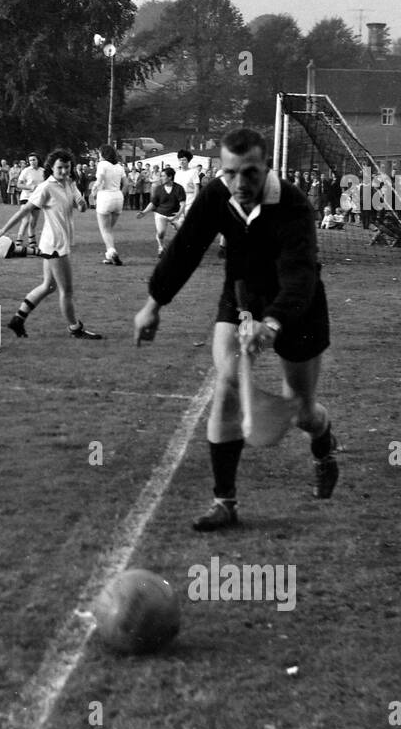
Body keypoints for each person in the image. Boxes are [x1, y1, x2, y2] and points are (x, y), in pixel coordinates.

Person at [133, 127, 338, 530]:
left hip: (299, 306)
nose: (240, 184)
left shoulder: (294, 205)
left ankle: (323, 442)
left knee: (300, 411)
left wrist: (272, 323)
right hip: (242, 294)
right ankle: (224, 503)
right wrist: (152, 305)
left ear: (267, 167)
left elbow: (300, 276)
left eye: (250, 173)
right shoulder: (215, 195)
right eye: (230, 173)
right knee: (225, 388)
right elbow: (185, 249)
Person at [0, 148, 101, 339]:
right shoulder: (46, 187)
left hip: (58, 242)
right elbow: (25, 210)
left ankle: (18, 320)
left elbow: (80, 204)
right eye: (60, 167)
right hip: (55, 245)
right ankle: (75, 328)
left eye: (67, 167)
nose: (64, 171)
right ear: (52, 167)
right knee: (66, 291)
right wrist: (3, 230)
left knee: (48, 286)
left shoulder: (68, 183)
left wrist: (82, 204)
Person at [91, 144, 127, 265]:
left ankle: (112, 252)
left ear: (103, 154)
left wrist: (94, 190)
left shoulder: (102, 164)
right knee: (109, 230)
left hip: (105, 197)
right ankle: (109, 255)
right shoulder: (119, 166)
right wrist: (120, 195)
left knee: (105, 230)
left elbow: (99, 179)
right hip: (118, 197)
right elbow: (126, 184)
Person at [138, 164, 186, 255]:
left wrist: (179, 214)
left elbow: (182, 204)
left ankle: (183, 249)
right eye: (161, 176)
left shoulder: (179, 188)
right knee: (161, 233)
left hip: (175, 214)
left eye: (163, 176)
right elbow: (153, 203)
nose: (161, 178)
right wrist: (144, 212)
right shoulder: (159, 189)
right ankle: (161, 248)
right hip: (161, 214)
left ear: (170, 177)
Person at [14, 152, 46, 256]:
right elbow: (18, 184)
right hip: (26, 197)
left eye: (34, 160)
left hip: (37, 198)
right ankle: (19, 241)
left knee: (33, 222)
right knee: (25, 220)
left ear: (38, 160)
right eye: (30, 160)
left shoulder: (43, 171)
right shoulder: (26, 171)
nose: (32, 162)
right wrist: (30, 187)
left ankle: (32, 242)